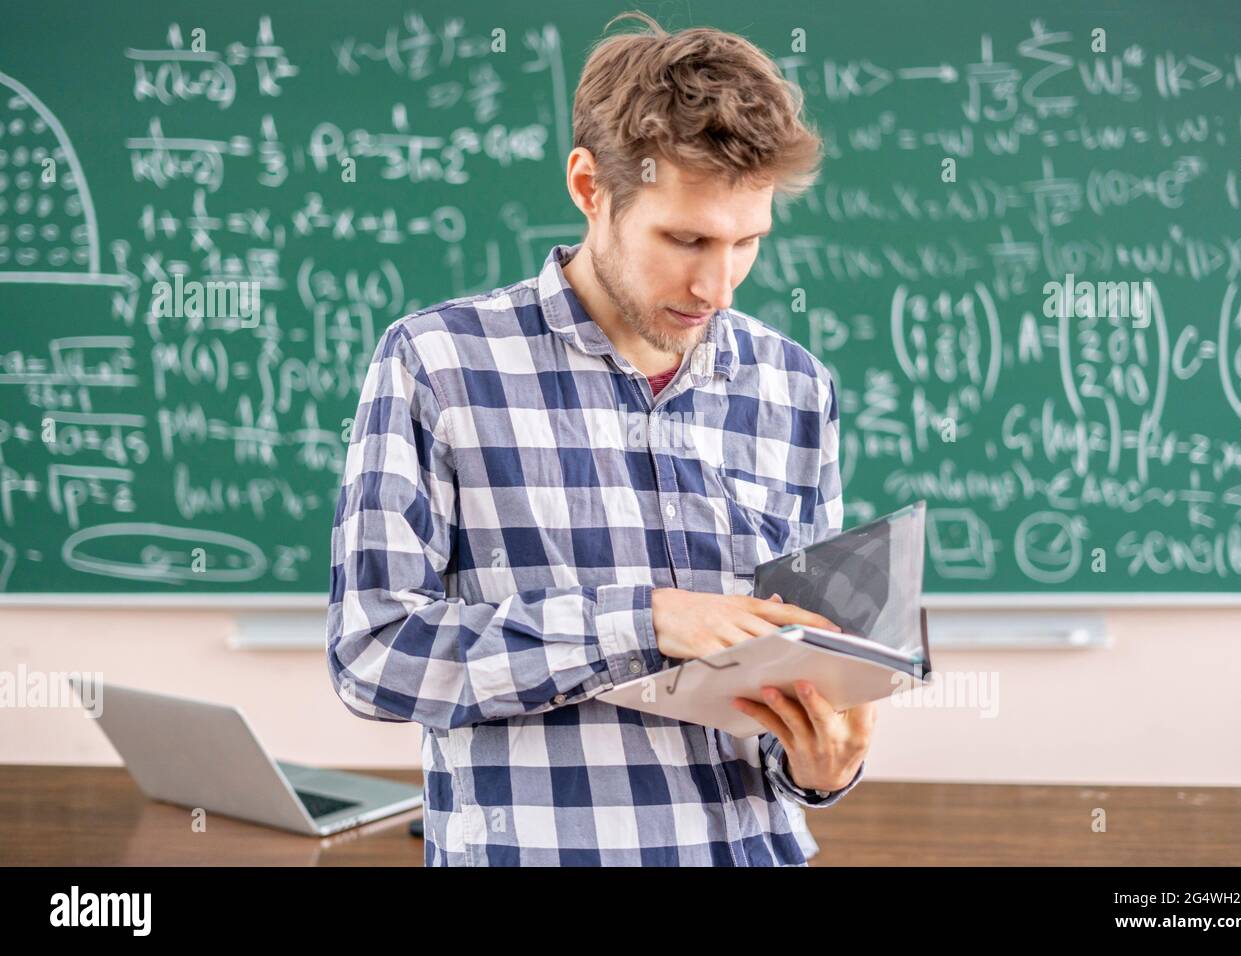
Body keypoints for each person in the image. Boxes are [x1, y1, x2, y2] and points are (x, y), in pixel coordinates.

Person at [327, 10, 877, 866]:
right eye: (685, 239)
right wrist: (648, 621)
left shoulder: (795, 386)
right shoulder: (436, 364)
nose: (717, 286)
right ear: (590, 187)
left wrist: (821, 764)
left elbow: (794, 693)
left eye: (748, 243)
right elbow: (373, 656)